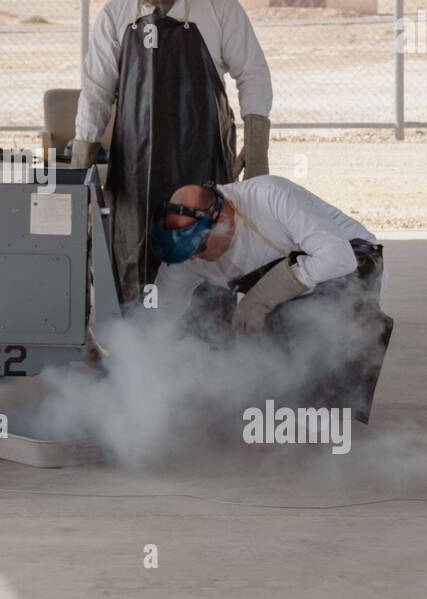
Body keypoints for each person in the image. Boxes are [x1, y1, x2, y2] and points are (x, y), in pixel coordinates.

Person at [70, 0, 273, 304]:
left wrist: (257, 144)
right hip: (136, 163)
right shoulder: (115, 15)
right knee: (136, 253)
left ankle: (211, 340)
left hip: (204, 155)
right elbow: (96, 89)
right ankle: (141, 342)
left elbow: (253, 73)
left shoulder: (219, 7)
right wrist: (83, 150)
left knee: (206, 245)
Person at [148, 176, 393, 422]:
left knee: (315, 315)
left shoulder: (271, 197)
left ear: (222, 220)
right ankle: (271, 390)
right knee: (208, 310)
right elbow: (161, 314)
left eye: (198, 249)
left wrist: (262, 298)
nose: (193, 260)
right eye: (186, 255)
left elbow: (339, 258)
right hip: (276, 276)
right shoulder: (186, 259)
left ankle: (326, 408)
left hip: (349, 262)